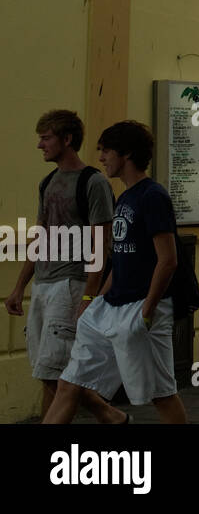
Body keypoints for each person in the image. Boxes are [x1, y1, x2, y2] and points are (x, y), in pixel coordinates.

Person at [44, 121, 188, 424]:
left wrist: (147, 312)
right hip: (109, 307)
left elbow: (168, 260)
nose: (101, 158)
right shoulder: (124, 198)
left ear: (127, 154)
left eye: (106, 151)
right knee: (69, 383)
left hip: (140, 308)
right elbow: (120, 260)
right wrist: (95, 300)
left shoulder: (152, 196)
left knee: (160, 393)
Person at [5, 110, 116, 422]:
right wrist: (19, 286)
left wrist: (88, 298)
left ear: (67, 140)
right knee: (47, 371)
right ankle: (111, 416)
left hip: (71, 284)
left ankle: (106, 416)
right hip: (43, 283)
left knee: (57, 371)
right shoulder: (48, 182)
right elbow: (40, 238)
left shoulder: (93, 183)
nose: (40, 145)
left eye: (46, 138)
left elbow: (101, 247)